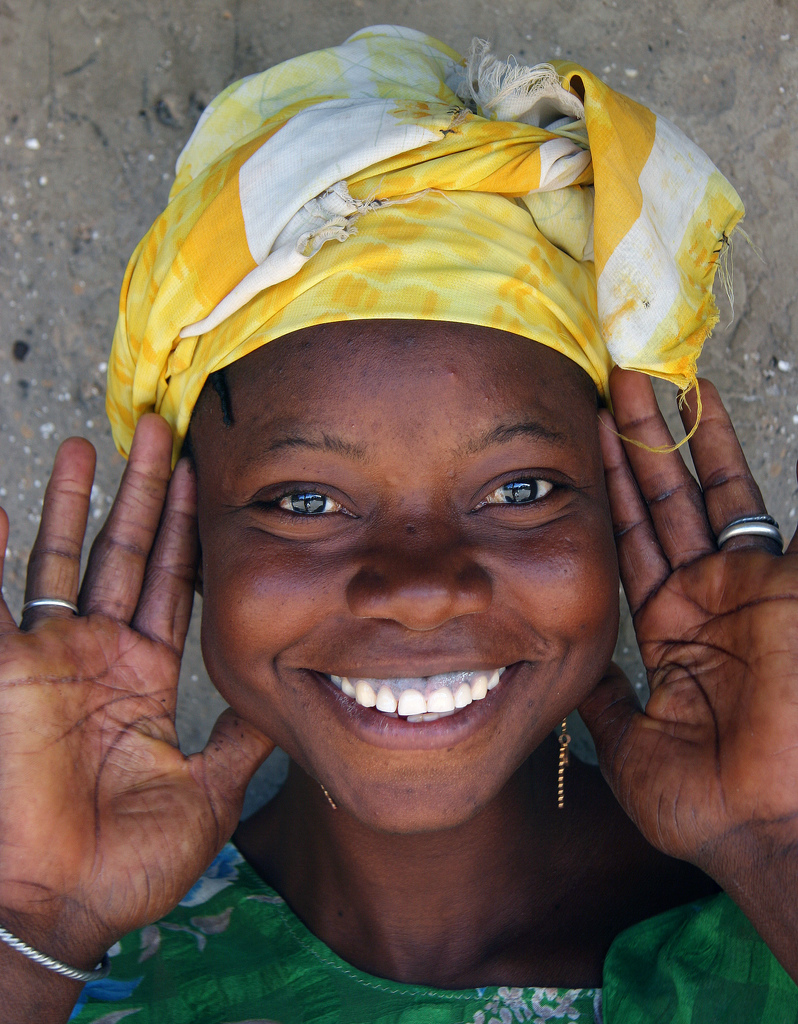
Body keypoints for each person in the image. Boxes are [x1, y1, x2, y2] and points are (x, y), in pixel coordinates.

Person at [1, 25, 797, 1024]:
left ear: (615, 515)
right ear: (190, 536)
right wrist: (37, 922)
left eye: (520, 490)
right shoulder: (67, 968)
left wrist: (776, 844)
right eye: (306, 500)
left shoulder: (769, 929)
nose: (420, 589)